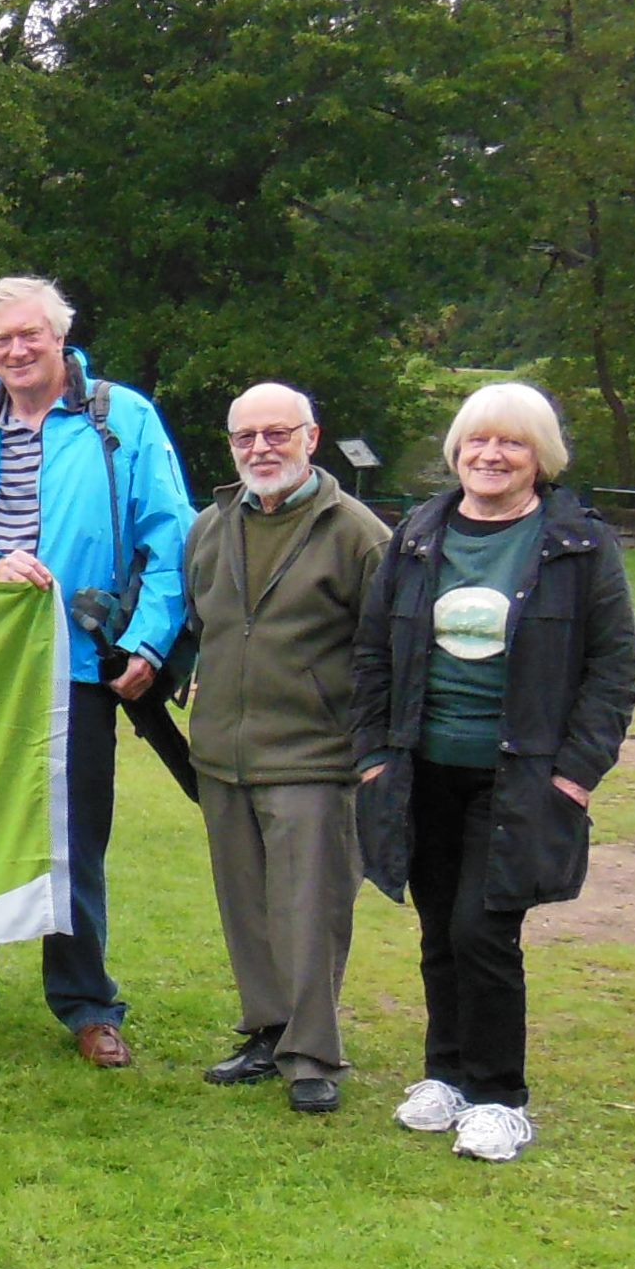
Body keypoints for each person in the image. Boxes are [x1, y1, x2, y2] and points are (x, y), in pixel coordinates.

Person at [0, 276, 194, 1068]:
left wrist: (150, 640)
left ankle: (87, 1004)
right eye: (1, 339)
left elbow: (171, 534)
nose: (17, 349)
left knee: (73, 840)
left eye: (30, 333)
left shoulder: (121, 418)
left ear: (60, 336)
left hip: (81, 665)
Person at [350, 382, 635, 1162]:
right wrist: (373, 756)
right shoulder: (416, 535)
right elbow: (372, 652)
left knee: (482, 931)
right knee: (438, 927)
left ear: (539, 456)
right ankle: (443, 1076)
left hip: (518, 777)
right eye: (476, 440)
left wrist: (574, 773)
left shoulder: (577, 544)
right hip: (421, 769)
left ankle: (498, 1097)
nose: (490, 455)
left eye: (511, 441)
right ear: (456, 451)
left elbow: (612, 668)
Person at [183, 383, 390, 1113]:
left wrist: (372, 750)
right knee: (247, 907)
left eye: (277, 433)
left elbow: (388, 650)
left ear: (311, 437)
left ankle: (312, 1055)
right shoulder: (210, 526)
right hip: (223, 755)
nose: (261, 448)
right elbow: (200, 624)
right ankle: (267, 1033)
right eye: (245, 437)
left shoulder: (356, 533)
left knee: (309, 911)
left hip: (314, 755)